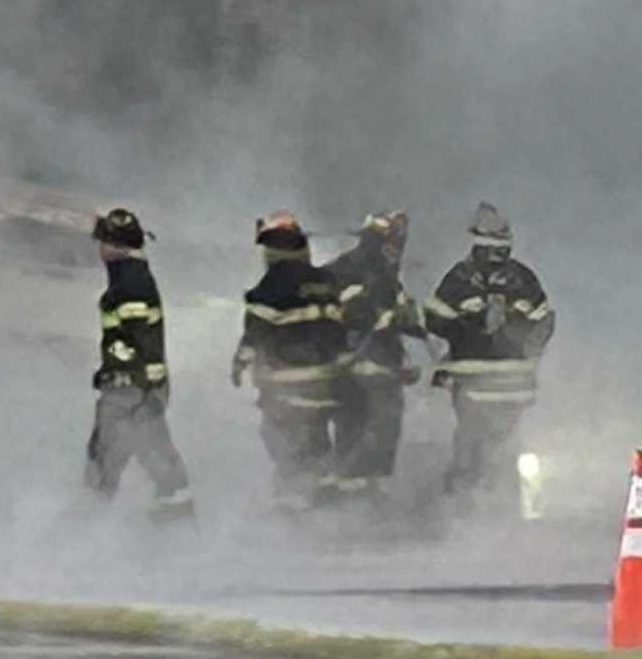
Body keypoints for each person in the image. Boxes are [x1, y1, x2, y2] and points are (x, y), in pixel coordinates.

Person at [424, 202, 554, 499]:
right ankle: (470, 502)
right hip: (478, 382)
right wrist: (470, 325)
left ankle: (491, 502)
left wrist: (525, 347)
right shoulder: (463, 278)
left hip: (503, 384)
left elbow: (543, 322)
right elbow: (435, 319)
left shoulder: (516, 279)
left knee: (495, 444)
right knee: (478, 442)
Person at [231, 212, 348, 509]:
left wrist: (241, 361)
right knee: (318, 440)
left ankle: (291, 510)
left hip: (286, 383)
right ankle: (330, 505)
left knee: (282, 441)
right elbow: (339, 330)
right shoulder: (325, 281)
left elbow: (256, 331)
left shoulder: (271, 285)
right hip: (324, 381)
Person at [83, 208, 194, 520]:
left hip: (129, 393)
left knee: (105, 462)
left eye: (103, 242)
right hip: (137, 391)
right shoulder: (132, 280)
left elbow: (138, 343)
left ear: (113, 246)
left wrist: (131, 387)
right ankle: (176, 526)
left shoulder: (128, 286)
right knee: (156, 460)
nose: (99, 250)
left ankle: (82, 535)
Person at [322, 211, 427, 498]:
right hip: (361, 363)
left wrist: (411, 325)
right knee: (377, 425)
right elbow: (352, 313)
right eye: (395, 240)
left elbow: (405, 318)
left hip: (360, 365)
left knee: (359, 427)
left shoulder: (382, 274)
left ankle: (358, 495)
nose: (398, 248)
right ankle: (350, 491)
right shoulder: (359, 271)